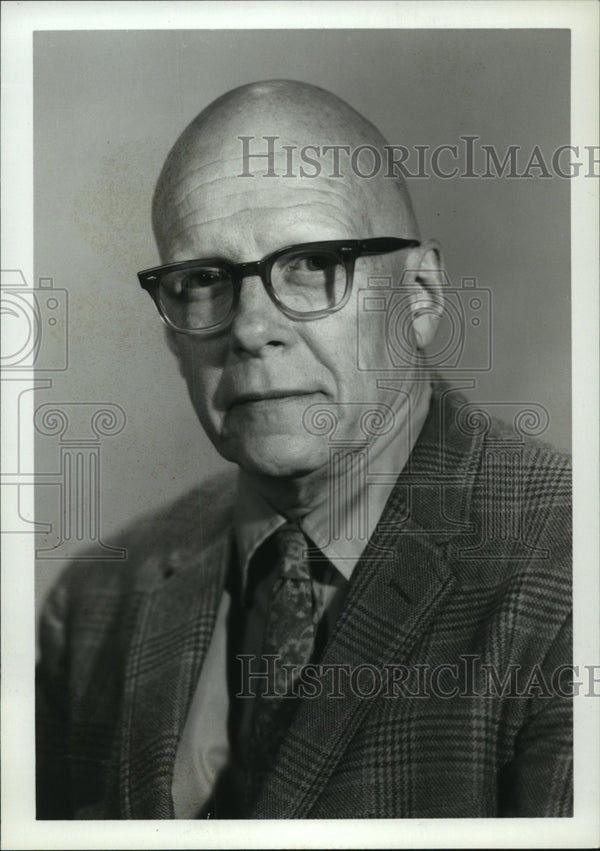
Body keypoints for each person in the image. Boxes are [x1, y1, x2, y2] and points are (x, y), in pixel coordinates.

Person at [36, 79, 572, 819]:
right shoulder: (95, 606)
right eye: (203, 280)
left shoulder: (571, 573)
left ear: (420, 293)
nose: (251, 328)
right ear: (171, 332)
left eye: (313, 263)